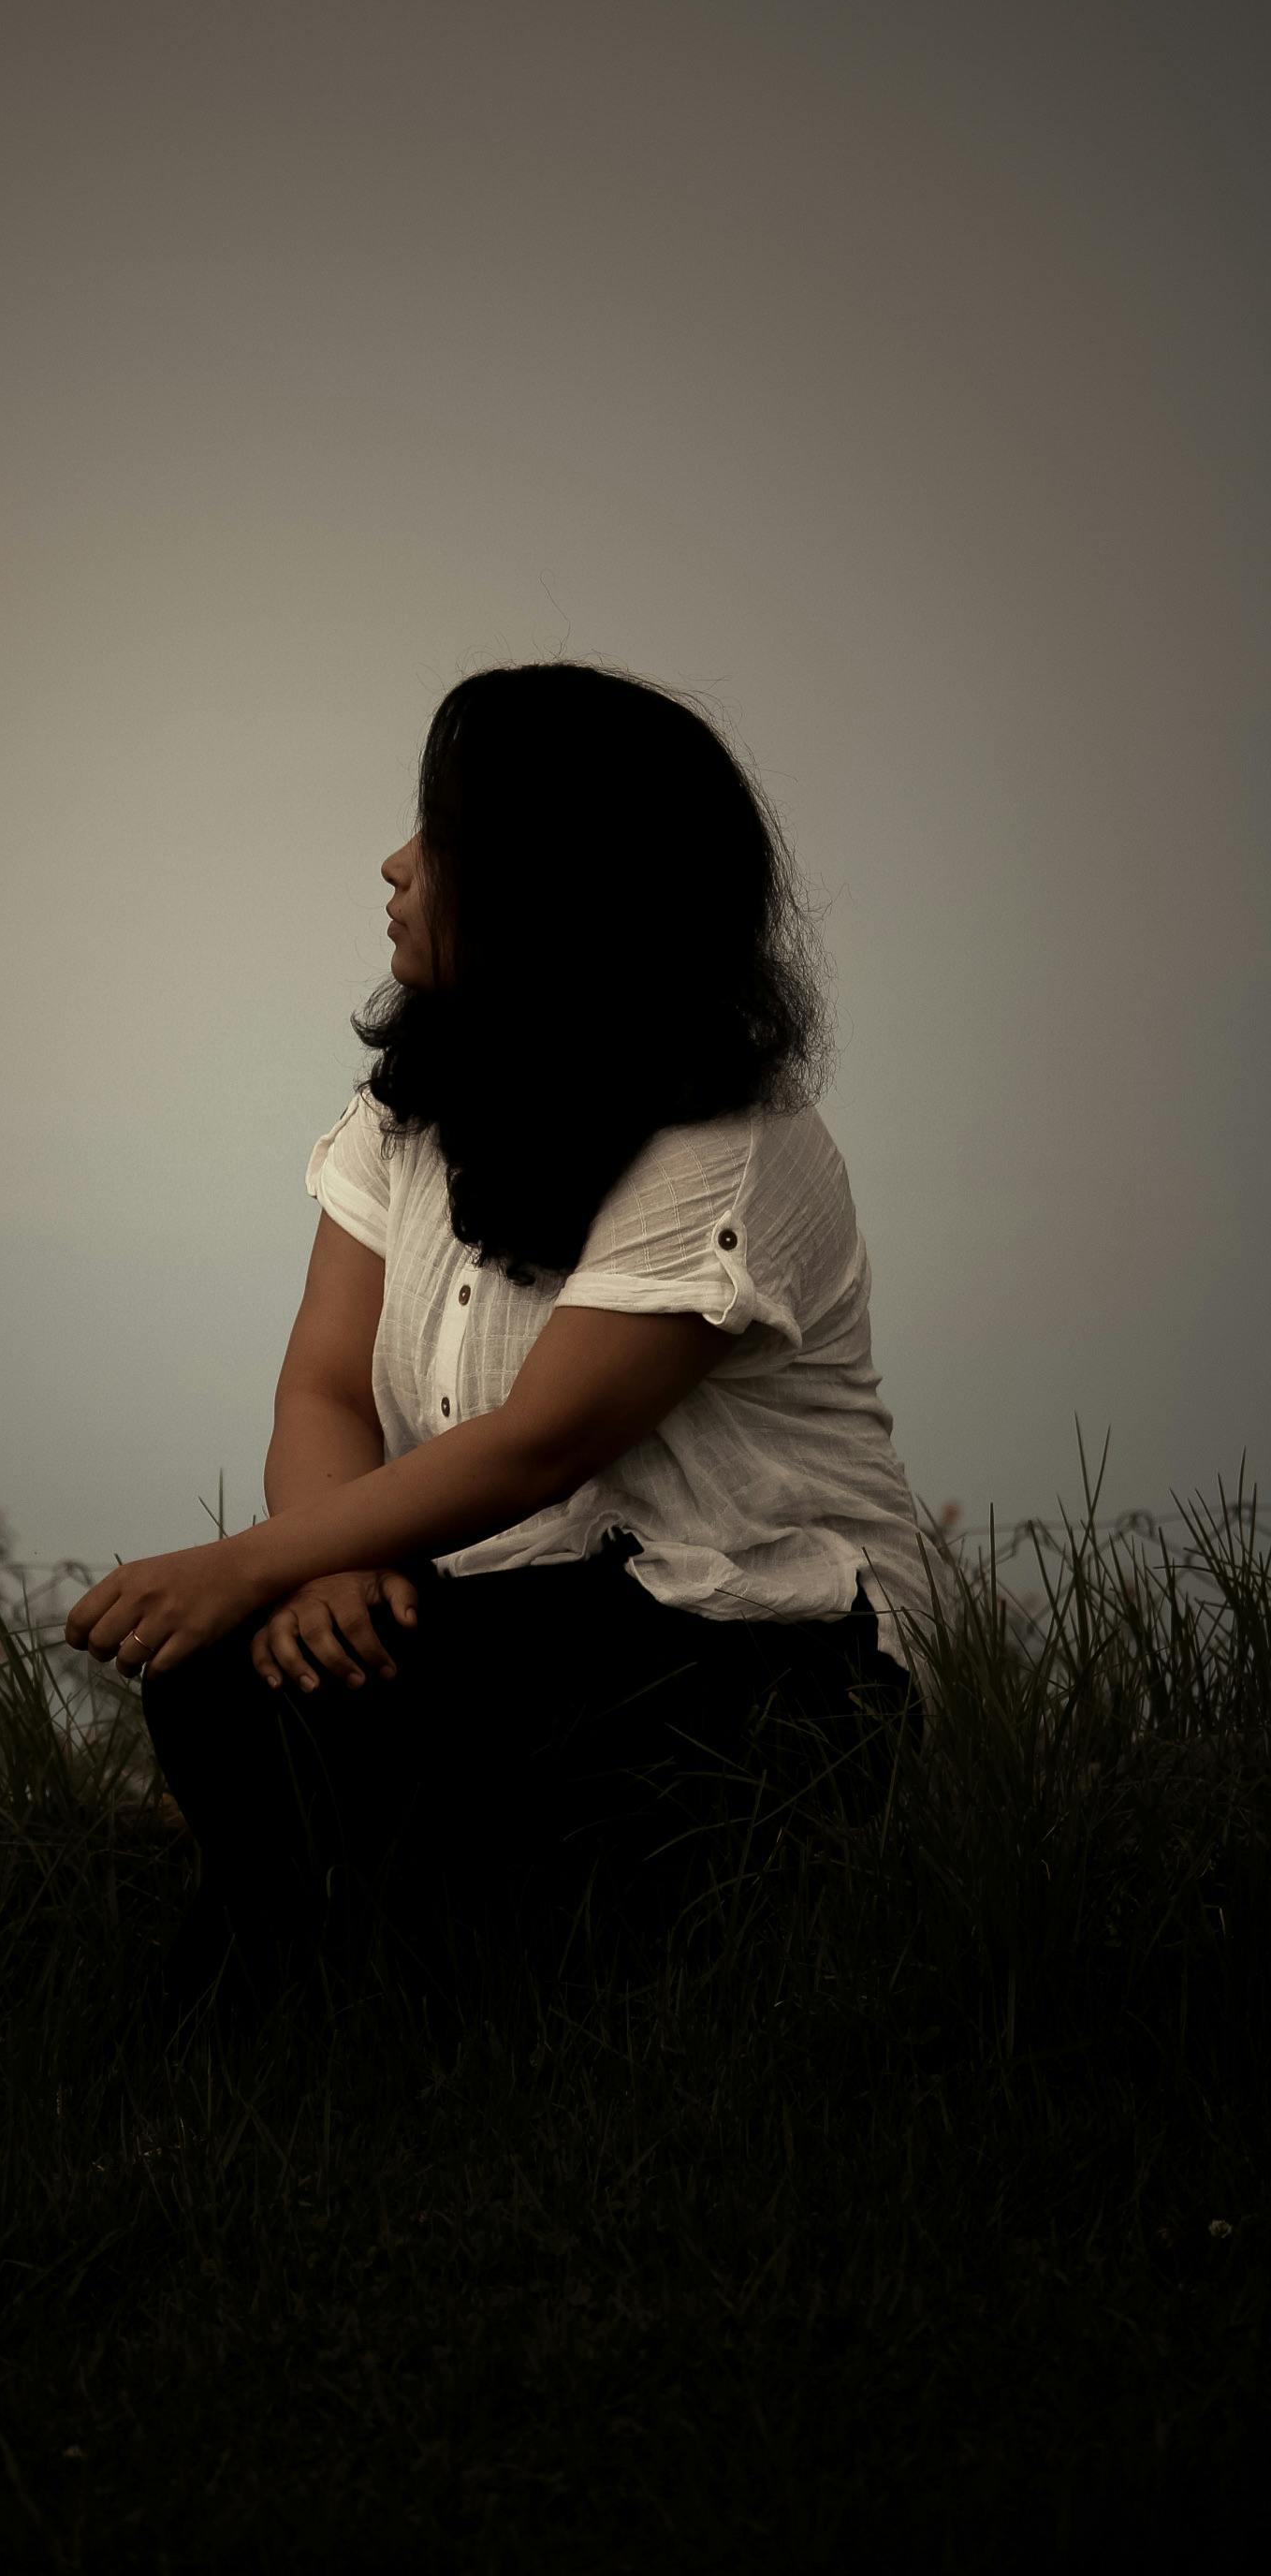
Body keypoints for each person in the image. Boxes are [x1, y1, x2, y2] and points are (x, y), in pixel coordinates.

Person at [141, 661, 957, 2029]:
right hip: (516, 1613)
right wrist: (320, 1567)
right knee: (232, 1681)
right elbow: (327, 1382)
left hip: (765, 1652)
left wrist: (250, 1563)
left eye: (442, 835)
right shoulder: (406, 1113)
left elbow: (544, 1443)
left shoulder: (731, 1143)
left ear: (555, 882)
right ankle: (329, 2014)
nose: (395, 865)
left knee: (430, 1722)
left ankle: (331, 2018)